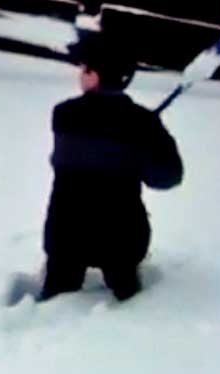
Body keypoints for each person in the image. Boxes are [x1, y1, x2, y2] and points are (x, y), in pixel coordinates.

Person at [40, 33, 183, 301]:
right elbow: (166, 177)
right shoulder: (142, 124)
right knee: (127, 297)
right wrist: (152, 138)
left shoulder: (63, 115)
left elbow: (79, 153)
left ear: (94, 76)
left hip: (65, 237)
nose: (80, 75)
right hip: (121, 239)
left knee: (55, 293)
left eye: (84, 69)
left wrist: (141, 130)